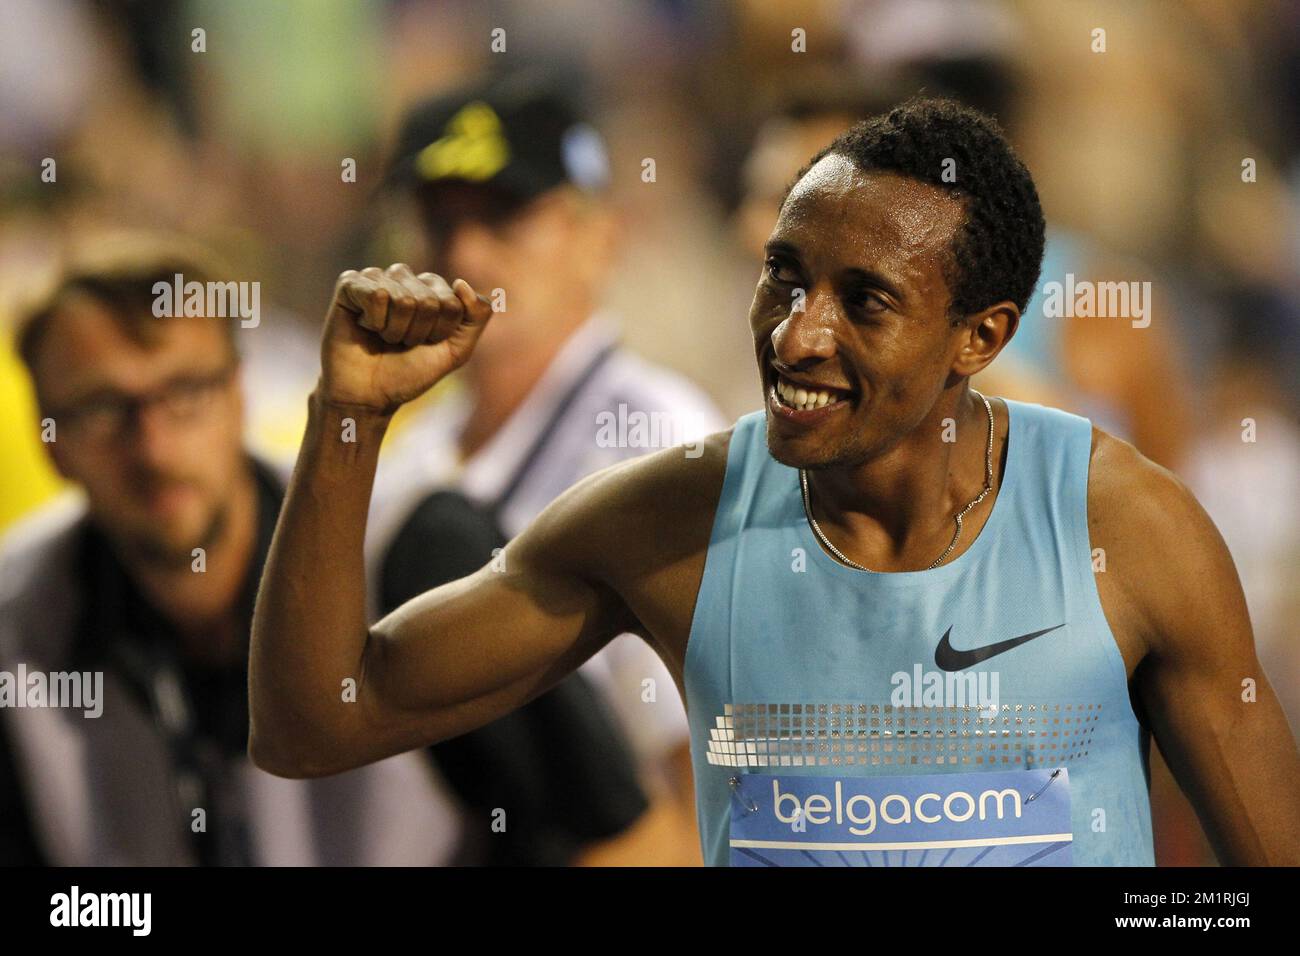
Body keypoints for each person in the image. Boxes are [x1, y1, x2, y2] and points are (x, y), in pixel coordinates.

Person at [249, 98, 1300, 866]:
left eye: (865, 300)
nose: (797, 334)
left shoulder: (1125, 525)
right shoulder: (669, 521)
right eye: (784, 276)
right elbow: (316, 722)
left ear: (979, 336)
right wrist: (350, 416)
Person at [0, 239, 460, 865]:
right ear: (48, 440)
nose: (153, 448)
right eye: (103, 410)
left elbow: (610, 834)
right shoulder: (15, 622)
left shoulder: (410, 547)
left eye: (186, 391)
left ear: (241, 393)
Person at [369, 72, 725, 863]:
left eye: (504, 216)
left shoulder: (658, 441)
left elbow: (710, 796)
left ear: (598, 235)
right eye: (437, 221)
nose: (463, 253)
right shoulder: (410, 455)